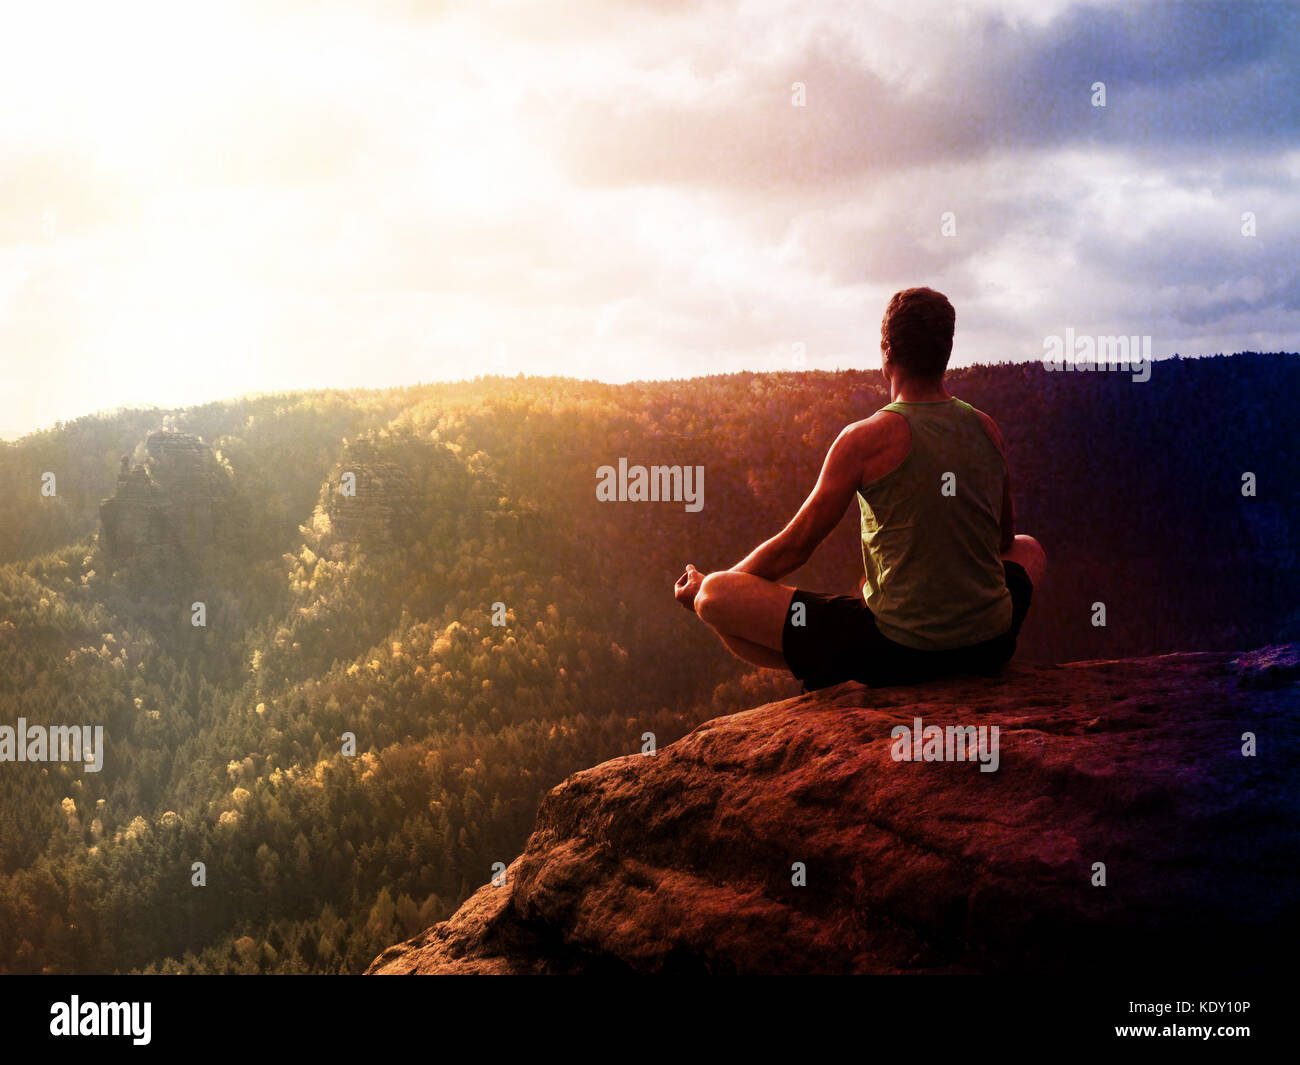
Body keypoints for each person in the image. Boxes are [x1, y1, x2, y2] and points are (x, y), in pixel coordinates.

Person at [673, 287, 1046, 691]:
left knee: (714, 597)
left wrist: (712, 587)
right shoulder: (986, 428)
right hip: (990, 644)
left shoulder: (865, 440)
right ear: (946, 352)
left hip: (898, 651)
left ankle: (832, 665)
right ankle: (858, 654)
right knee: (1029, 548)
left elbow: (795, 547)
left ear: (886, 351)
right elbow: (1004, 538)